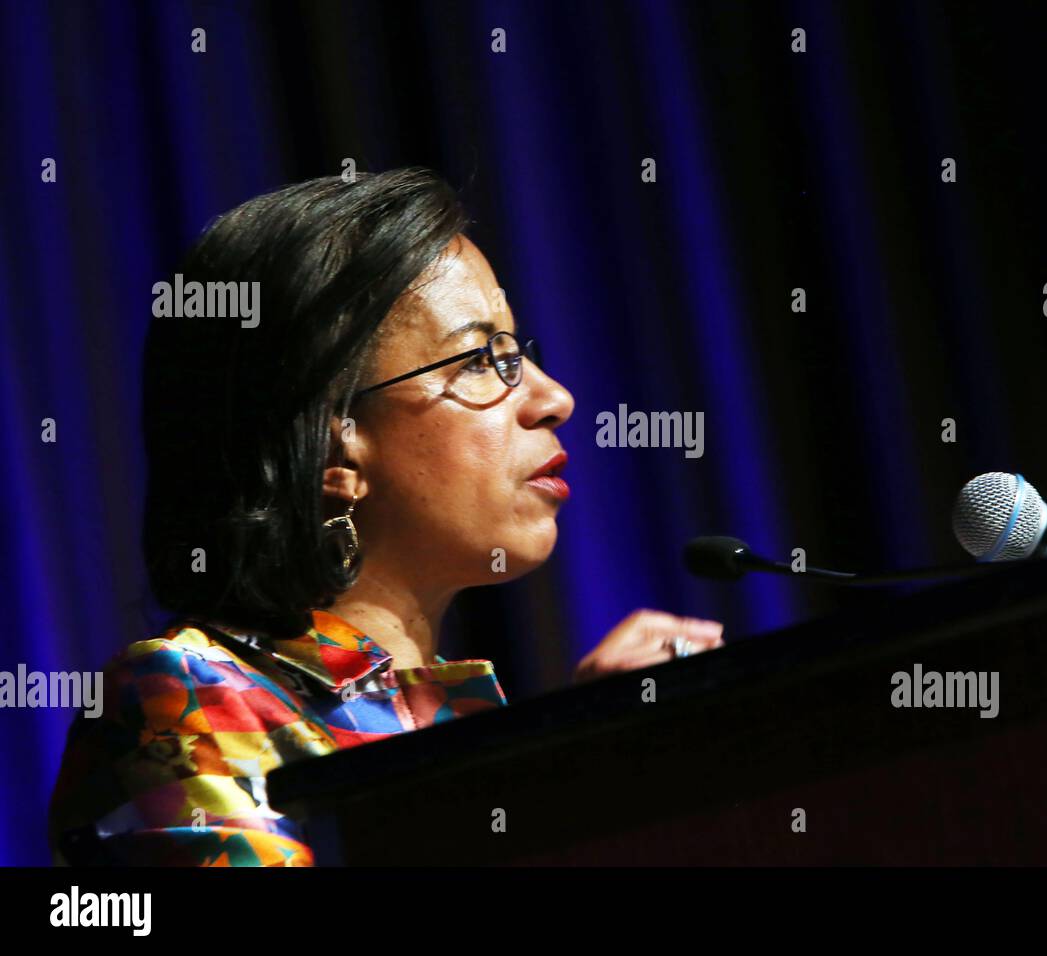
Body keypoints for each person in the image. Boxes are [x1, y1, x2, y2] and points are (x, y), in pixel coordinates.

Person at [46, 167, 724, 866]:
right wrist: (567, 781)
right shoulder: (184, 697)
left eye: (519, 352)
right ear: (333, 440)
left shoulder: (467, 726)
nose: (555, 398)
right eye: (481, 360)